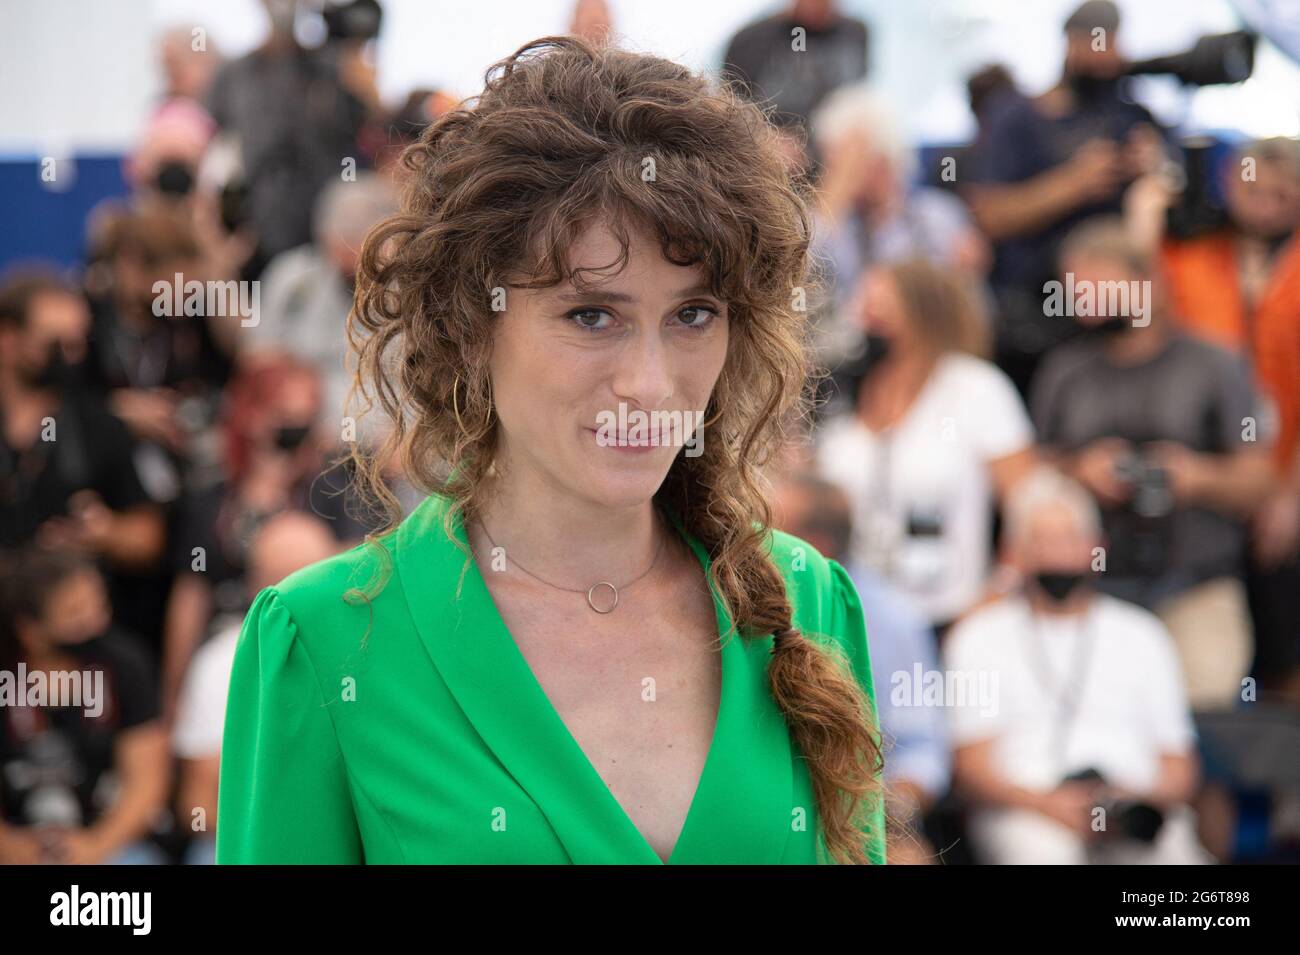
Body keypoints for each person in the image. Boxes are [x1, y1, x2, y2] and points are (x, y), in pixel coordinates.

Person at [217, 35, 886, 865]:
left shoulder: (808, 604)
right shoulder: (321, 641)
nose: (648, 384)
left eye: (693, 314)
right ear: (470, 325)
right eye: (591, 315)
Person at [1031, 217, 1274, 709]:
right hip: (1096, 592)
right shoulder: (1064, 372)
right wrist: (1083, 471)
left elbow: (1259, 479)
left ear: (1151, 284)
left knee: (1205, 726)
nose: (1089, 304)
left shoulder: (1215, 365)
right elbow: (1034, 472)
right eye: (1079, 292)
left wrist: (1195, 476)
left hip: (1197, 585)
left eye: (1102, 289)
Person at [944, 467, 1213, 864]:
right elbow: (971, 768)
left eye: (1069, 538)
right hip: (1026, 809)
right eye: (1043, 540)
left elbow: (1180, 768)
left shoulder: (1142, 633)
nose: (1057, 553)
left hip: (1131, 808)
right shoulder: (978, 636)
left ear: (1095, 546)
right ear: (1015, 550)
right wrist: (1050, 804)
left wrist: (1128, 799)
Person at [960, 0, 1171, 395]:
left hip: (1119, 311)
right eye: (1095, 42)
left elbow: (1172, 199)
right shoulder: (1019, 117)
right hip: (1036, 314)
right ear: (1071, 44)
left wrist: (1156, 167)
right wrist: (1072, 184)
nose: (1106, 55)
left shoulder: (1132, 117)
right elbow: (989, 214)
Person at [816, 258, 1037, 632]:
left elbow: (1029, 503)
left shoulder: (975, 388)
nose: (865, 321)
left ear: (922, 313)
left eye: (879, 308)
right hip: (851, 616)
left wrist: (998, 594)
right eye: (862, 308)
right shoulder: (840, 393)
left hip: (951, 615)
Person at [773, 471, 950, 864]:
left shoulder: (892, 619)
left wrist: (879, 820)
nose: (754, 543)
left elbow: (920, 750)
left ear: (812, 545)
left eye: (772, 531)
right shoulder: (738, 600)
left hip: (864, 812)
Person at [173, 511, 340, 865]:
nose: (304, 594)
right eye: (286, 579)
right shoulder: (218, 663)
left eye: (317, 574)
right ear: (254, 589)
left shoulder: (374, 652)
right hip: (249, 841)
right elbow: (197, 804)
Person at [0, 547, 169, 864]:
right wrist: (12, 849)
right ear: (30, 630)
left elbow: (147, 783)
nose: (97, 623)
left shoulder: (125, 665)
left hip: (110, 841)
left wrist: (96, 846)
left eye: (100, 605)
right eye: (76, 613)